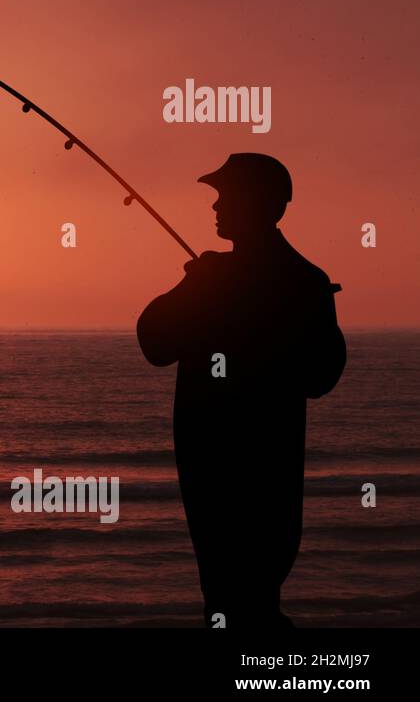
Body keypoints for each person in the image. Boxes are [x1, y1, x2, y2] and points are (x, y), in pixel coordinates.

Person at [137, 153, 346, 627]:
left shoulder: (242, 281)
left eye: (226, 196)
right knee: (243, 593)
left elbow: (154, 341)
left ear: (258, 203)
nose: (216, 207)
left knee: (237, 595)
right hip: (257, 466)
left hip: (226, 467)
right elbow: (323, 373)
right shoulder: (301, 280)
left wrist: (205, 289)